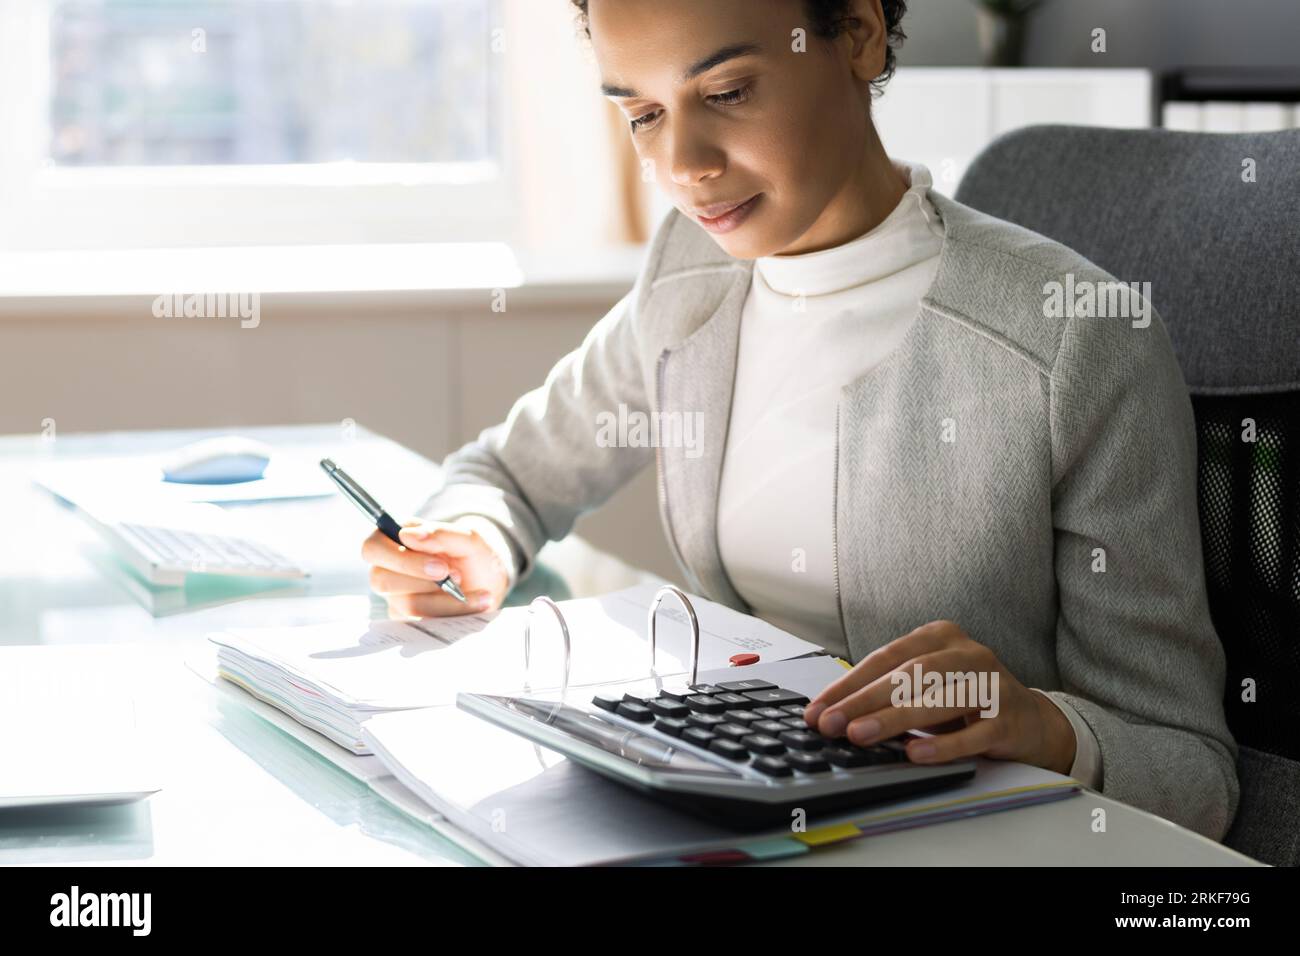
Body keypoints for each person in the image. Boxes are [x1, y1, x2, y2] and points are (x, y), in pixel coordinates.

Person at [362, 0, 1238, 840]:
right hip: (734, 819)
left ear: (856, 33)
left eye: (729, 93)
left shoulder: (1074, 338)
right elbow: (510, 475)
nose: (683, 165)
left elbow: (1194, 770)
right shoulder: (687, 275)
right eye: (642, 114)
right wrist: (475, 541)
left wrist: (1044, 727)